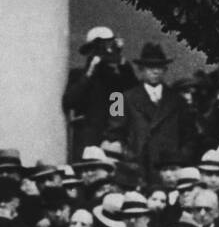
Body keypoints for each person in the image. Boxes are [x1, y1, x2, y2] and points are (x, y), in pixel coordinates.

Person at [106, 42, 195, 184]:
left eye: (159, 67)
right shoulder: (120, 98)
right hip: (137, 169)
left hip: (169, 170)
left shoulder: (178, 100)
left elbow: (189, 135)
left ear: (165, 70)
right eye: (150, 67)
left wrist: (180, 159)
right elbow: (113, 134)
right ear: (141, 69)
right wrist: (129, 157)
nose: (155, 71)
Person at [62, 27, 136, 160]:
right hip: (86, 139)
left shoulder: (115, 80)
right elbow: (70, 101)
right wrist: (89, 73)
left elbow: (119, 107)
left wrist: (122, 64)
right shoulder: (78, 75)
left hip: (107, 140)